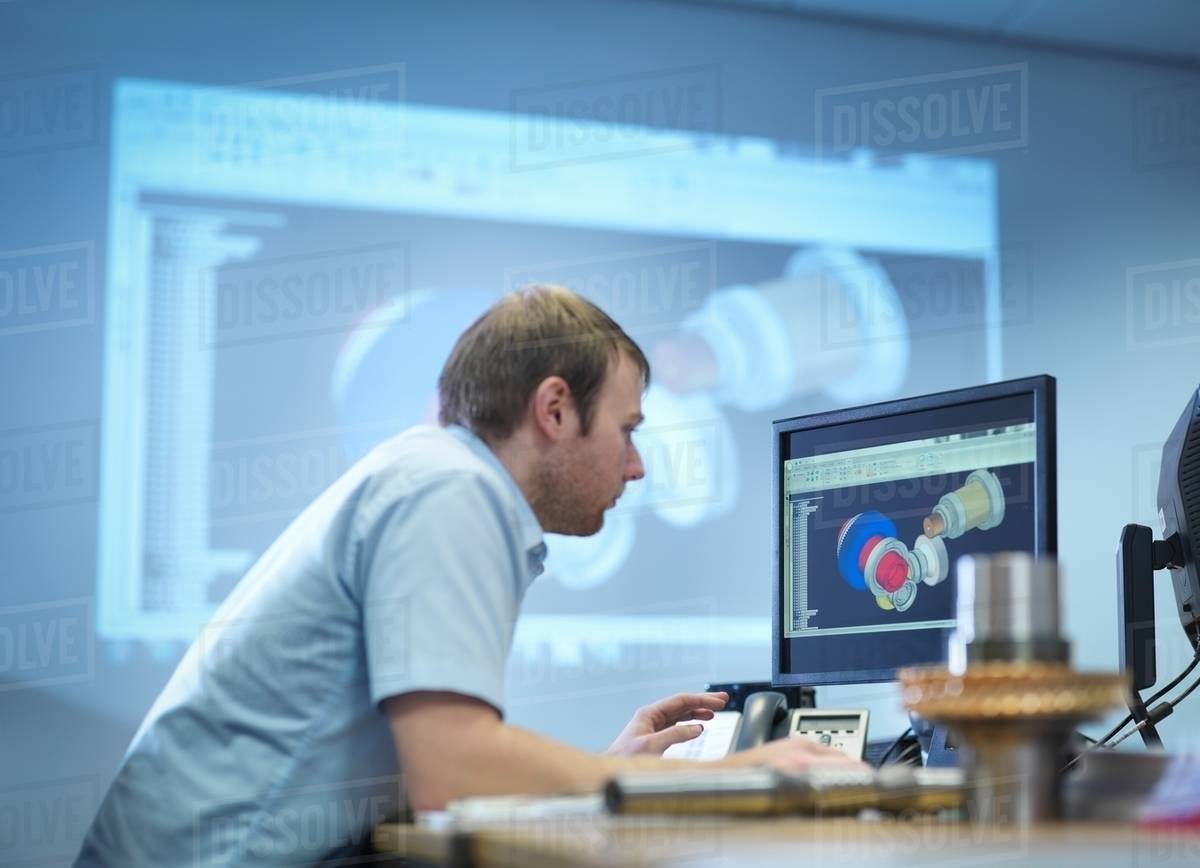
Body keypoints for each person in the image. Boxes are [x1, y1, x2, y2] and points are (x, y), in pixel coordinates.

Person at [74, 286, 853, 866]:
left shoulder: (430, 477)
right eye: (626, 430)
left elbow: (435, 777)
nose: (638, 465)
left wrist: (611, 774)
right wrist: (732, 779)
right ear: (554, 409)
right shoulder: (451, 490)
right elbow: (452, 772)